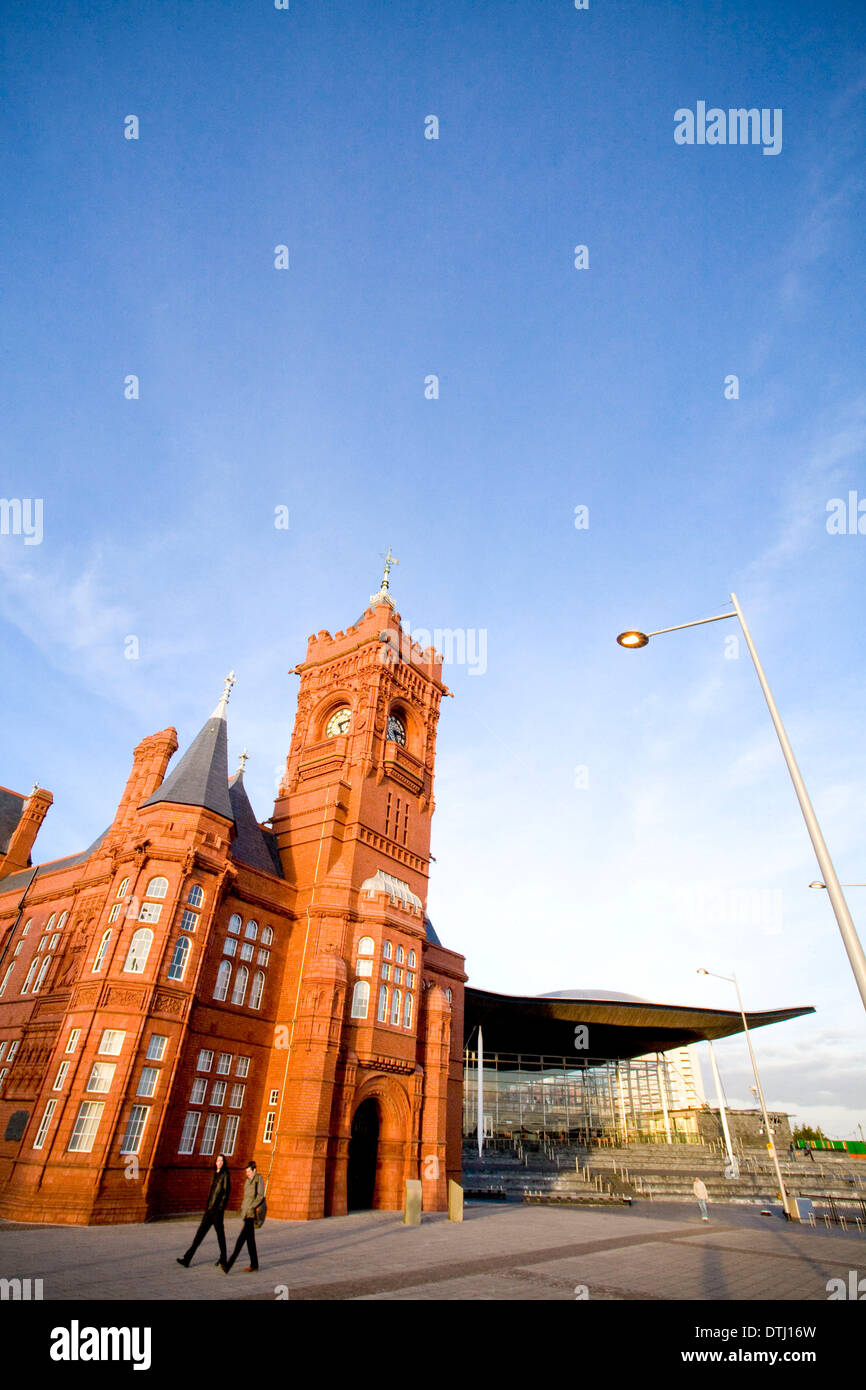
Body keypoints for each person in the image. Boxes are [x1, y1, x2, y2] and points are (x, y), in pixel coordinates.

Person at [177, 1154, 231, 1268]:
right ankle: (187, 1259)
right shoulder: (214, 1174)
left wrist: (220, 1208)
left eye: (221, 1160)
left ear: (224, 1163)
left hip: (216, 1212)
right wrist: (208, 1207)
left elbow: (225, 1193)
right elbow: (212, 1192)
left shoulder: (225, 1175)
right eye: (218, 1160)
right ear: (215, 1162)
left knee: (220, 1235)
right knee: (199, 1234)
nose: (219, 1162)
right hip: (209, 1210)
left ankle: (224, 1259)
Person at [223, 1160, 265, 1273]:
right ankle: (254, 1264)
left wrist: (252, 1206)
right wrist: (243, 1209)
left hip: (252, 1214)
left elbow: (260, 1195)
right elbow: (246, 1197)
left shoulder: (258, 1179)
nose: (247, 1173)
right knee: (250, 1241)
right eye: (246, 1172)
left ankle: (228, 1264)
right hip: (246, 1213)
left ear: (254, 1170)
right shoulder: (247, 1181)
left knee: (240, 1241)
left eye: (249, 1171)